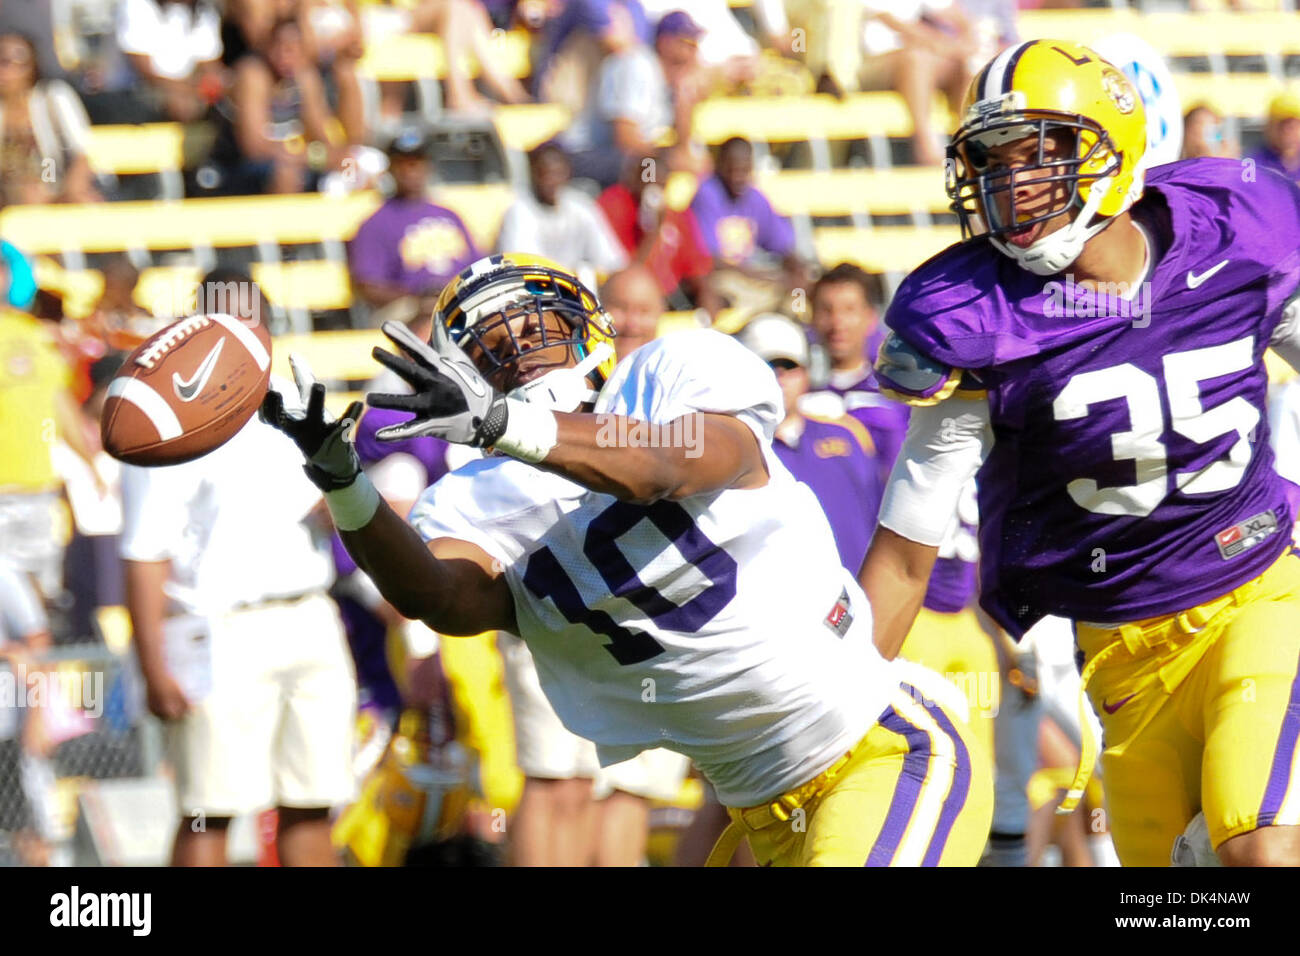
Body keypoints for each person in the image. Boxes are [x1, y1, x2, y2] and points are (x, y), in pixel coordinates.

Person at [260, 251, 993, 866]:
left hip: (883, 752)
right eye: (489, 348)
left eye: (530, 328)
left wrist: (505, 421)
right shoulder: (471, 499)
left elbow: (666, 468)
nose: (514, 351)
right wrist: (343, 481)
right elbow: (444, 599)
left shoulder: (679, 367)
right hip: (756, 809)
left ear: (588, 326)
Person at [860, 39, 1300, 867]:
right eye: (992, 162)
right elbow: (904, 558)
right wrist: (824, 718)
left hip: (1260, 601)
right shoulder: (973, 317)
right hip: (1117, 655)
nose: (1014, 183)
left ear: (1111, 149)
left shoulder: (1236, 233)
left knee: (1260, 847)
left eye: (1038, 155)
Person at [119, 271, 356, 866]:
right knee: (209, 811)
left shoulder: (297, 400)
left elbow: (324, 508)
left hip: (309, 613)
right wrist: (154, 665)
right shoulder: (168, 416)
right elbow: (145, 551)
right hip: (220, 627)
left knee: (313, 801)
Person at [737, 313, 882, 575]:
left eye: (788, 365)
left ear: (807, 372)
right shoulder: (733, 452)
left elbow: (877, 522)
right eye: (767, 365)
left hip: (856, 601)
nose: (779, 376)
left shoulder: (849, 435)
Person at [348, 127, 480, 315]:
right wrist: (418, 296)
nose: (410, 171)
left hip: (459, 300)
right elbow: (369, 286)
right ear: (391, 169)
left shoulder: (450, 216)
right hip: (408, 308)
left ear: (428, 166)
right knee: (430, 314)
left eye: (416, 163)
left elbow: (476, 265)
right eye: (403, 163)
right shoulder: (375, 223)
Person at [804, 262, 909, 489]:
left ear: (870, 317)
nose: (837, 323)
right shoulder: (799, 393)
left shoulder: (897, 392)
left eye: (849, 310)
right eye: (826, 310)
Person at [497, 142, 628, 291]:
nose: (551, 181)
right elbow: (523, 268)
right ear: (533, 173)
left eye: (557, 173)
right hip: (535, 294)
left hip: (580, 295)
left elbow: (614, 262)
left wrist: (586, 273)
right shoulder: (518, 211)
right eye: (544, 173)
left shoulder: (582, 207)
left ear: (568, 173)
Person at [0, 31, 101, 205]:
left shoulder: (52, 97)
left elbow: (83, 153)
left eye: (8, 62)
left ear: (31, 66)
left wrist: (63, 194)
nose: (3, 70)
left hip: (55, 182)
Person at [1246, 90, 1300, 187]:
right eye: (1282, 124)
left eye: (1294, 125)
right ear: (1269, 127)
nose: (1288, 130)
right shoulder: (1253, 162)